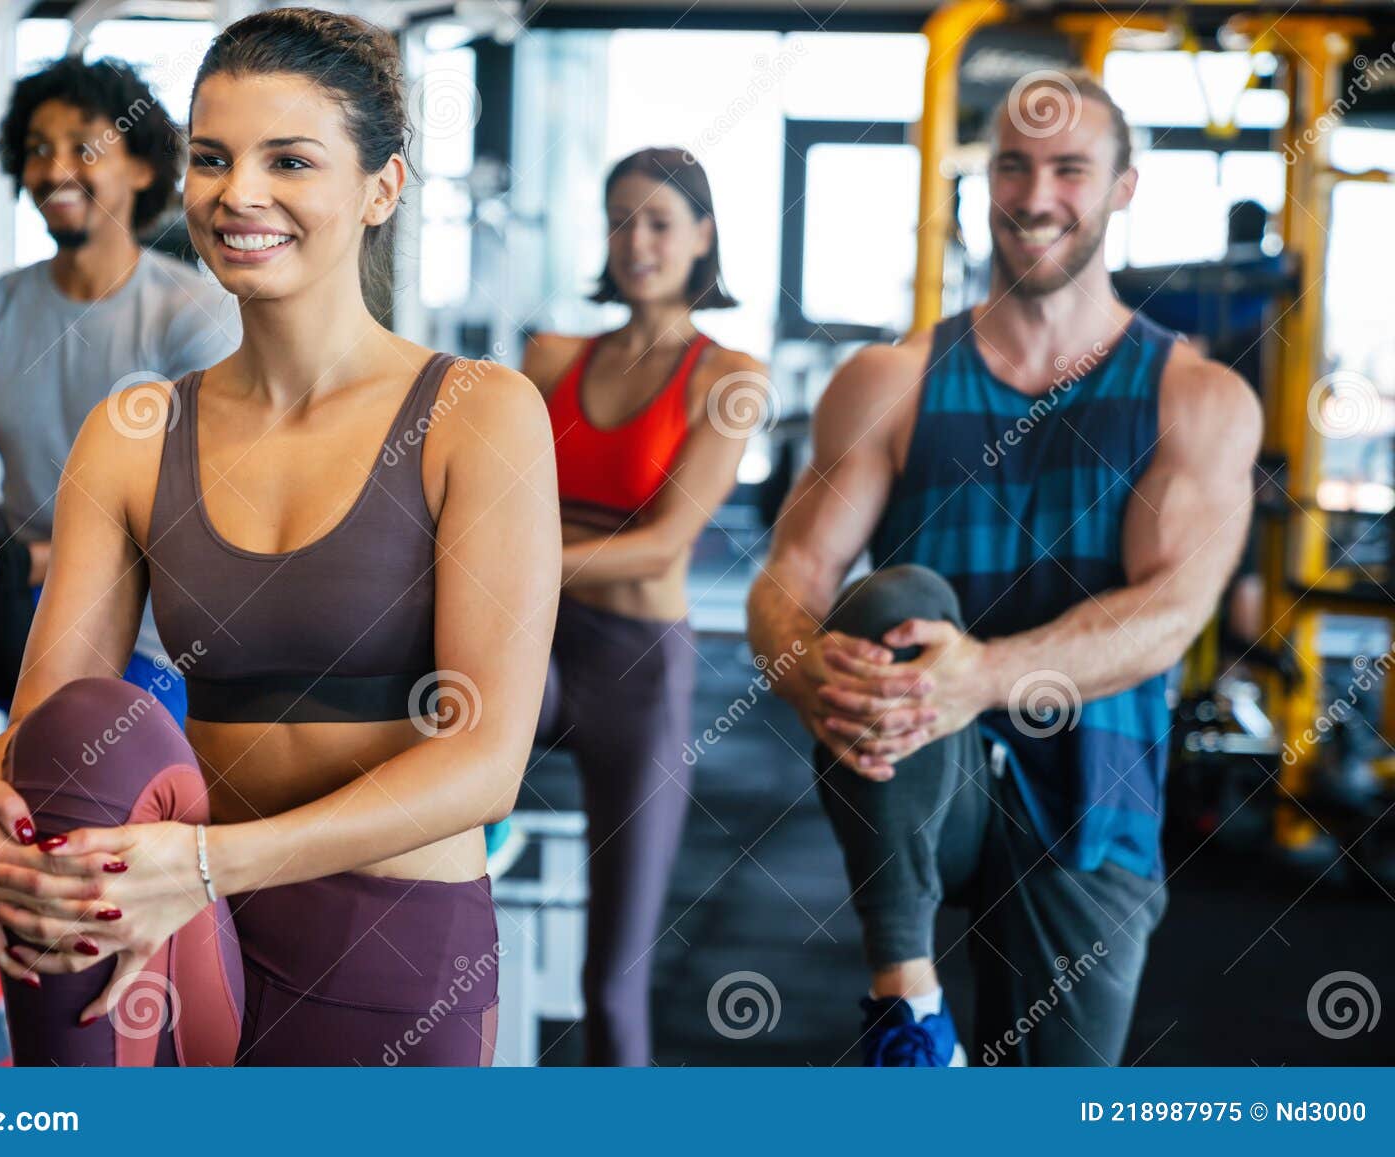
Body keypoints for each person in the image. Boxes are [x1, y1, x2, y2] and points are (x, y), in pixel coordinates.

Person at [0, 6, 558, 1066]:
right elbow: (54, 718)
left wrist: (212, 862)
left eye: (290, 160)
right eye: (213, 158)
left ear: (382, 189)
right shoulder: (136, 432)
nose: (240, 194)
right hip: (173, 932)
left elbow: (485, 761)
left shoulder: (478, 413)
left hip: (390, 953)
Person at [747, 72, 1261, 1066]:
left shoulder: (1195, 397)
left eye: (1069, 169)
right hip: (917, 778)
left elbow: (1173, 610)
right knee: (894, 598)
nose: (1035, 197)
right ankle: (907, 1002)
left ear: (1121, 189)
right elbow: (789, 579)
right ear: (985, 182)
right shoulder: (888, 381)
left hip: (1091, 779)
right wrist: (800, 663)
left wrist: (979, 674)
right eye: (1014, 167)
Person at [0, 56, 239, 1012]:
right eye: (36, 149)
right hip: (17, 633)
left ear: (144, 167)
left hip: (147, 659)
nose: (55, 166)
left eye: (84, 146)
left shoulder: (193, 317)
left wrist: (7, 556)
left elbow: (190, 528)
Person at [522, 147, 768, 1065]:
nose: (638, 240)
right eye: (620, 218)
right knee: (419, 816)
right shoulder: (549, 359)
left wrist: (514, 568)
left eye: (660, 221)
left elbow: (668, 543)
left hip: (636, 669)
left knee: (612, 977)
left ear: (703, 236)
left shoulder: (728, 375)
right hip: (531, 649)